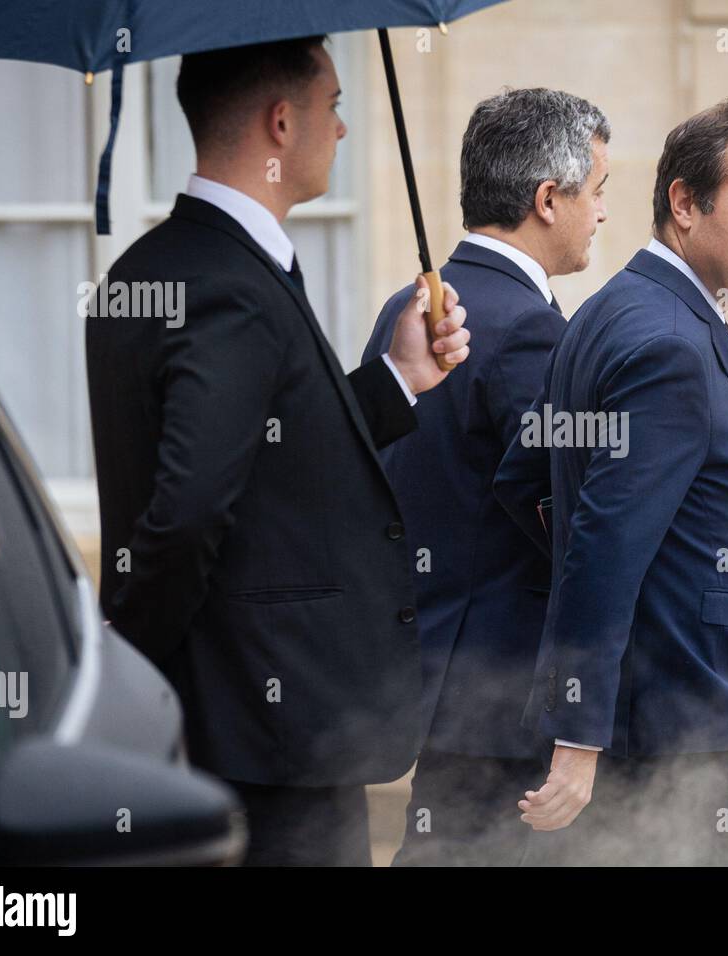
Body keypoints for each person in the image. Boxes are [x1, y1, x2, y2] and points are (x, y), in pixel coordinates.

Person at [85, 36, 469, 866]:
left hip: (242, 730)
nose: (340, 130)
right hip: (266, 741)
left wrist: (398, 375)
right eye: (331, 107)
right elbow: (187, 511)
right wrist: (135, 663)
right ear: (282, 122)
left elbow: (274, 460)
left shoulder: (150, 268)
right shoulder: (228, 285)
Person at [495, 100, 728, 866]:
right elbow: (603, 543)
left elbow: (522, 481)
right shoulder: (668, 340)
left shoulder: (610, 313)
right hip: (703, 742)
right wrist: (579, 734)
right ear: (684, 203)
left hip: (661, 738)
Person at [362, 88, 609, 865]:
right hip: (508, 694)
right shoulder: (533, 328)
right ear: (548, 198)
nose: (602, 212)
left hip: (438, 676)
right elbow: (569, 516)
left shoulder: (408, 309)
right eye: (596, 191)